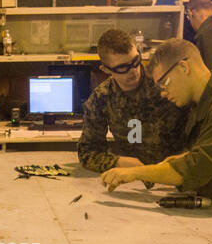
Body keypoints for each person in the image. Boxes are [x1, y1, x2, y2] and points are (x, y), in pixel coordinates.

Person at [100, 38, 212, 223]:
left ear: (184, 67)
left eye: (164, 83)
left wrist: (133, 173)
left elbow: (194, 169)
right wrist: (182, 158)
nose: (163, 93)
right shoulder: (206, 102)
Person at [76, 29, 186, 173]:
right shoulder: (101, 98)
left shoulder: (163, 83)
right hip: (131, 178)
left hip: (173, 173)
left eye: (135, 61)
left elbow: (196, 142)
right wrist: (118, 162)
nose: (133, 70)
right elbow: (87, 153)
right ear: (106, 69)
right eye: (123, 68)